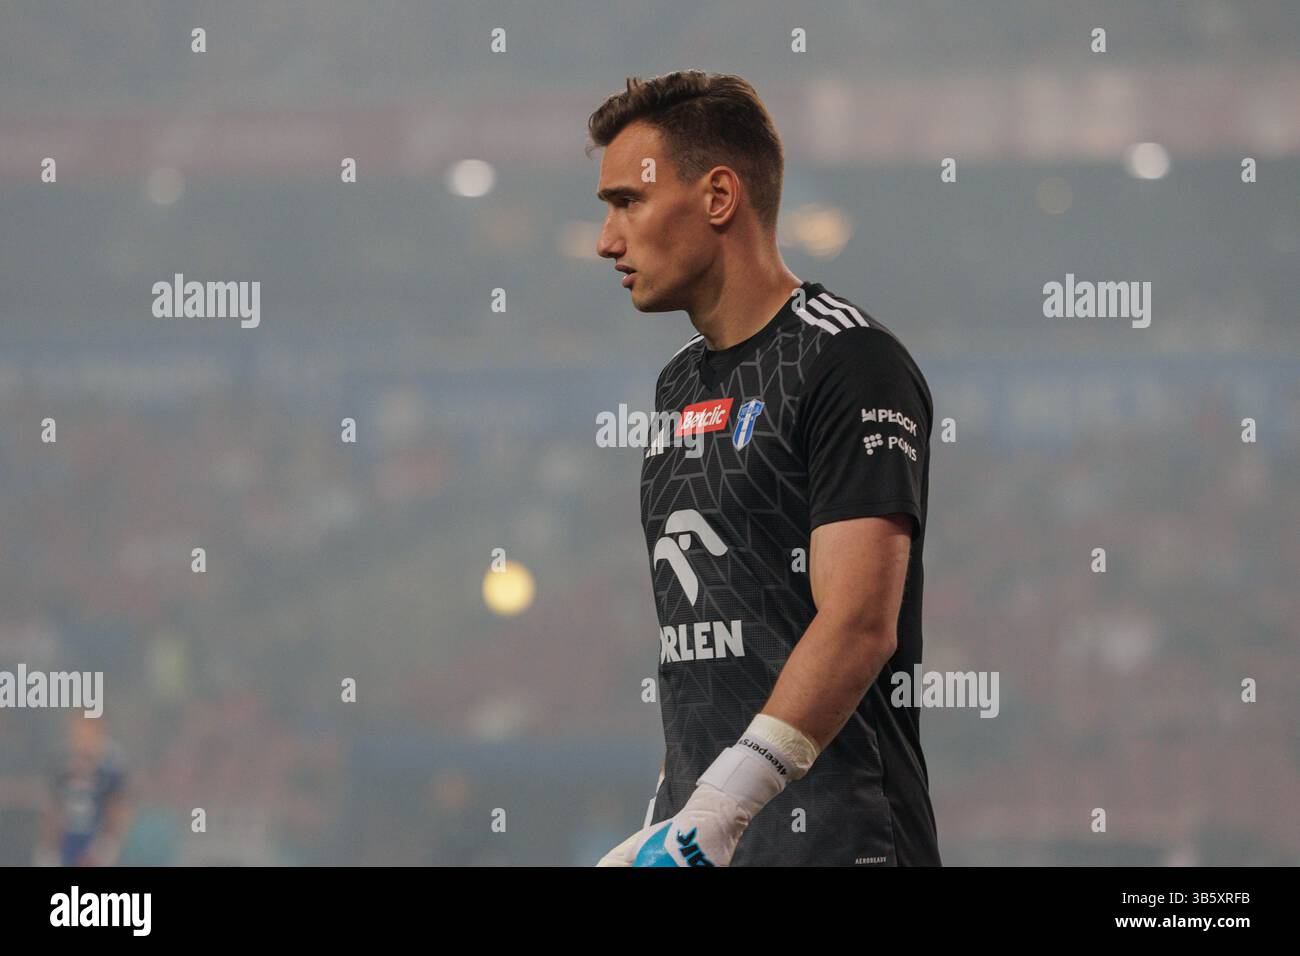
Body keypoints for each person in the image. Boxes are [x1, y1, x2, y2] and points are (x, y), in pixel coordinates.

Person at [589, 71, 939, 866]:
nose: (606, 240)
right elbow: (708, 654)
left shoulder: (848, 361)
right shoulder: (677, 384)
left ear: (719, 197)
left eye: (627, 202)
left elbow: (857, 624)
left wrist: (719, 805)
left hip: (846, 844)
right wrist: (671, 812)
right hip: (712, 842)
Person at [34, 715, 132, 867]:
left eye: (89, 734)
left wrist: (104, 847)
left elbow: (117, 812)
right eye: (79, 733)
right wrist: (50, 847)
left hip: (98, 840)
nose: (84, 741)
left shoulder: (111, 767)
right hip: (66, 839)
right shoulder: (60, 765)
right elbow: (52, 810)